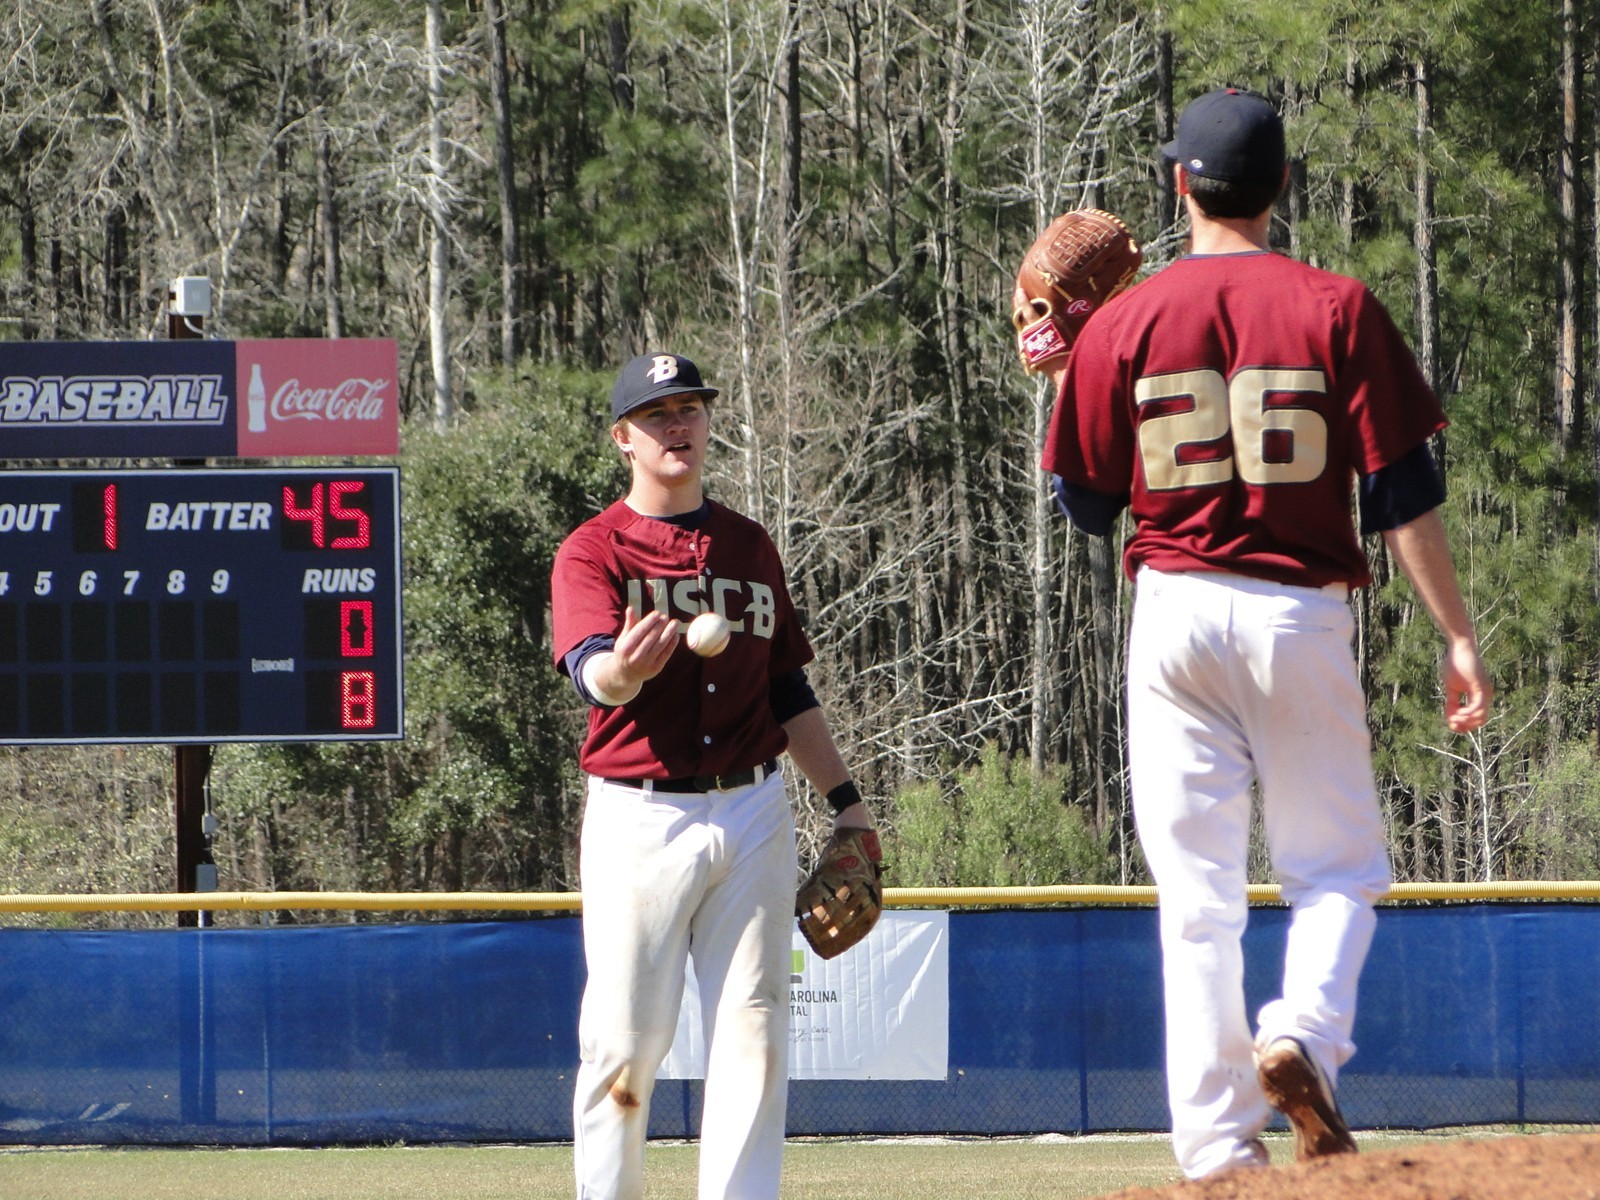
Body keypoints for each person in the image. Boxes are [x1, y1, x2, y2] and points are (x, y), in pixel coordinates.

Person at [1036, 88, 1492, 1178]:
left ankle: (1214, 1151)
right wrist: (1455, 635)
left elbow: (1087, 508)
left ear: (1177, 184)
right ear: (1282, 184)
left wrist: (1067, 381)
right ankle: (1302, 1034)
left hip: (1175, 612)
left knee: (1195, 899)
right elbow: (1400, 494)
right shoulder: (1338, 305)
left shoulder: (1125, 322)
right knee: (1335, 871)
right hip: (1297, 608)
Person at [551, 351, 876, 1200]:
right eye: (658, 414)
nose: (680, 424)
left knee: (755, 1033)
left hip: (754, 807)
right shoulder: (593, 550)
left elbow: (787, 688)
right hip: (638, 816)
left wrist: (847, 804)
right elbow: (590, 670)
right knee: (624, 1042)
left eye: (690, 407)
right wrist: (622, 676)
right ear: (623, 437)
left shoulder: (746, 544)